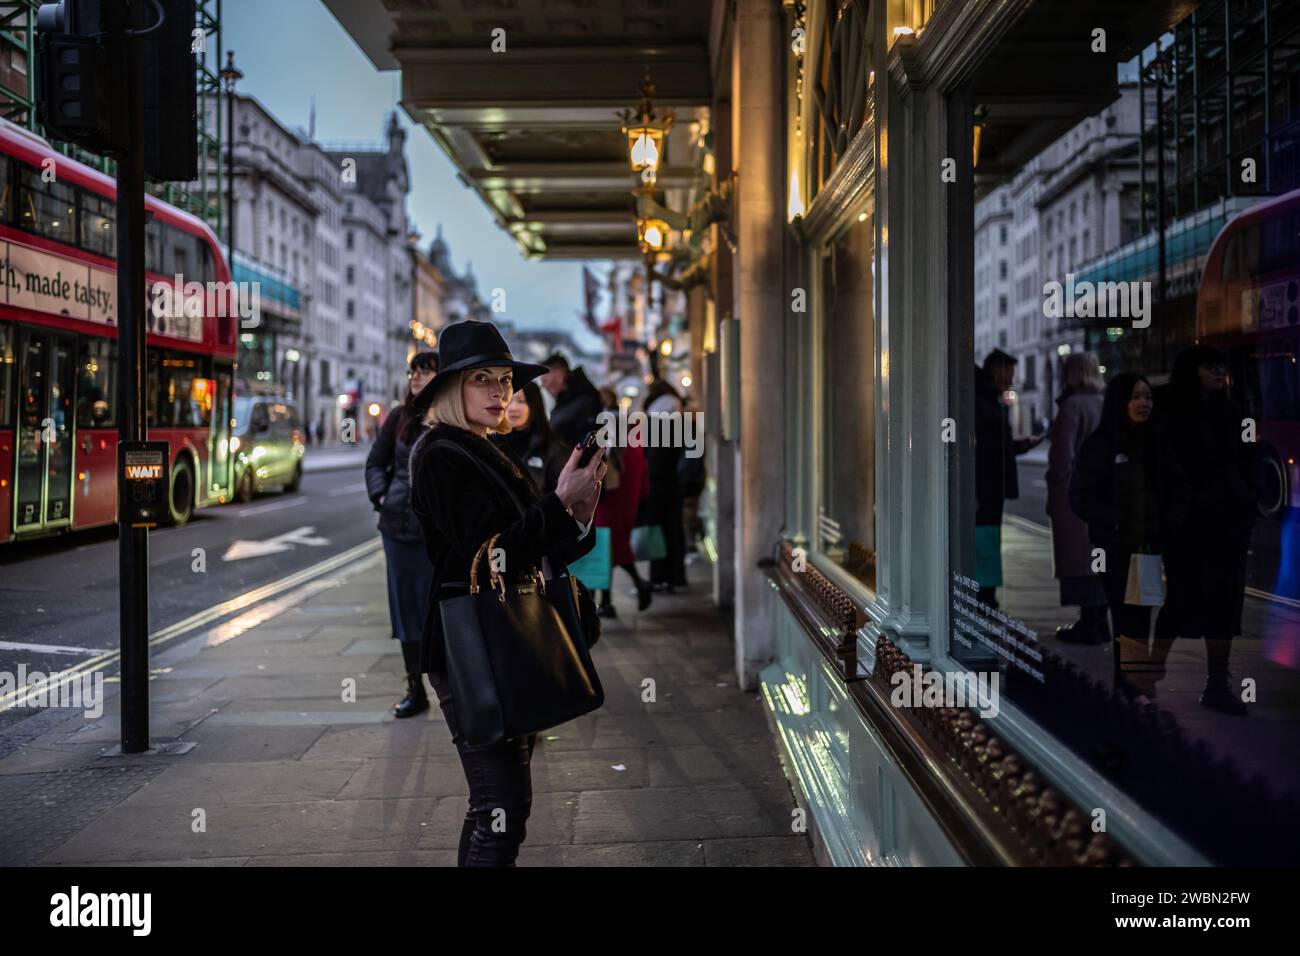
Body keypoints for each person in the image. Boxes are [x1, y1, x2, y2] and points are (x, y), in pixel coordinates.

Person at [408, 321, 607, 867]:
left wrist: (576, 512)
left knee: (496, 808)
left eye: (504, 381)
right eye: (484, 381)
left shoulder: (483, 448)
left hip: (507, 638)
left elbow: (533, 547)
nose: (502, 392)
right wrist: (557, 504)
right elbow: (490, 556)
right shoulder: (440, 456)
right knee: (501, 807)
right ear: (452, 389)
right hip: (470, 645)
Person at [1153, 345, 1258, 715]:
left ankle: (1217, 683)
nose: (1219, 371)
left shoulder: (1231, 412)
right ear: (1191, 369)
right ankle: (1149, 672)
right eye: (1210, 365)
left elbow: (1248, 458)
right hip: (1188, 524)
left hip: (1228, 523)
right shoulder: (1167, 409)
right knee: (1180, 598)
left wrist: (1248, 498)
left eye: (1222, 365)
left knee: (1225, 604)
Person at [1070, 373, 1188, 702]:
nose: (1143, 403)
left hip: (1148, 550)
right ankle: (1130, 691)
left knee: (1141, 619)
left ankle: (1137, 687)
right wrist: (1113, 525)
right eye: (1135, 396)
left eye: (1147, 397)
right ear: (1120, 401)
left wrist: (1168, 524)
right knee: (1125, 621)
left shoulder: (1158, 442)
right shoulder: (1100, 444)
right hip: (1115, 550)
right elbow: (1080, 496)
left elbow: (1177, 489)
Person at [365, 351, 438, 718]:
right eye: (413, 371)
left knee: (439, 610)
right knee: (405, 610)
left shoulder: (448, 419)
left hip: (435, 535)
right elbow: (376, 461)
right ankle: (415, 687)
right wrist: (381, 495)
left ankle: (455, 687)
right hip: (397, 529)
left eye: (424, 372)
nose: (416, 377)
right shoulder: (399, 417)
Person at [1046, 352, 1108, 644]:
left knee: (1079, 561)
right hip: (1101, 493)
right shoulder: (1105, 403)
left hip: (1074, 495)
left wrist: (1054, 486)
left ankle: (1087, 624)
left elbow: (1062, 458)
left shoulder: (1071, 407)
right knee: (1098, 559)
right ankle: (1100, 622)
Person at [974, 349, 1045, 606]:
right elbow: (983, 448)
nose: (1012, 380)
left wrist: (1019, 446)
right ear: (997, 371)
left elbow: (994, 445)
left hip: (987, 488)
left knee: (988, 539)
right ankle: (984, 596)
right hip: (984, 488)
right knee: (986, 541)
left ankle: (986, 595)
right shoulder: (982, 402)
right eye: (1010, 374)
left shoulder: (988, 400)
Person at [593, 387, 652, 617]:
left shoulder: (613, 439)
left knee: (607, 546)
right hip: (626, 500)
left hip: (612, 499)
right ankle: (607, 600)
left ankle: (628, 589)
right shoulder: (632, 436)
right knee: (613, 547)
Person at [497, 381, 568, 493]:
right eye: (508, 400)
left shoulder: (553, 449)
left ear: (534, 404)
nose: (513, 408)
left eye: (521, 401)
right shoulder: (493, 442)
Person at [539, 351, 603, 447]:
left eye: (545, 381)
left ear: (560, 376)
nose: (543, 386)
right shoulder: (569, 402)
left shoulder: (584, 403)